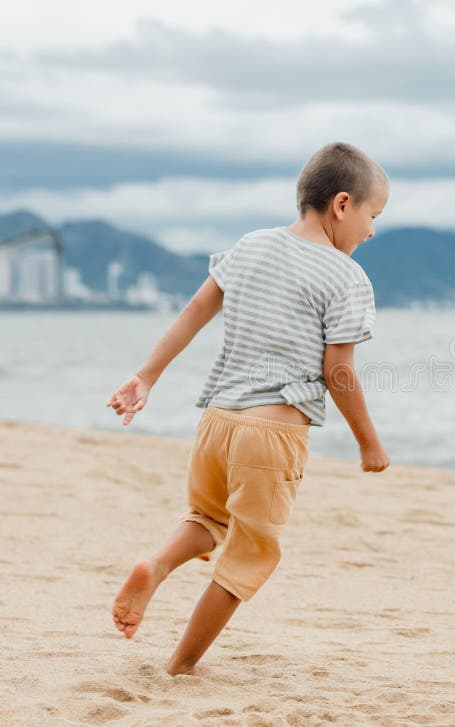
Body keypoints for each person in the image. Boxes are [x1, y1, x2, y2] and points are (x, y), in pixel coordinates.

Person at [105, 142, 391, 676]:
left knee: (207, 518)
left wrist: (145, 376)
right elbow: (338, 370)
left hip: (217, 421)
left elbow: (196, 309)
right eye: (373, 216)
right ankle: (182, 665)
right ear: (342, 205)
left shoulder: (252, 245)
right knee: (248, 556)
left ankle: (157, 564)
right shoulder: (346, 276)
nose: (372, 231)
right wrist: (368, 441)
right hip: (272, 434)